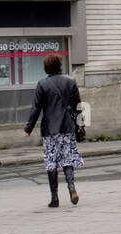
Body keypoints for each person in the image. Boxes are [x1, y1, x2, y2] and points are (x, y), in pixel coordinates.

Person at [24, 53, 84, 208]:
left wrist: (28, 128)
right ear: (60, 65)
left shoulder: (42, 84)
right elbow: (78, 106)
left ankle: (54, 198)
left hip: (50, 129)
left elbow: (36, 108)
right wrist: (81, 126)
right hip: (67, 127)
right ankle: (71, 187)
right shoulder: (71, 81)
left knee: (51, 161)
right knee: (67, 158)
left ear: (46, 67)